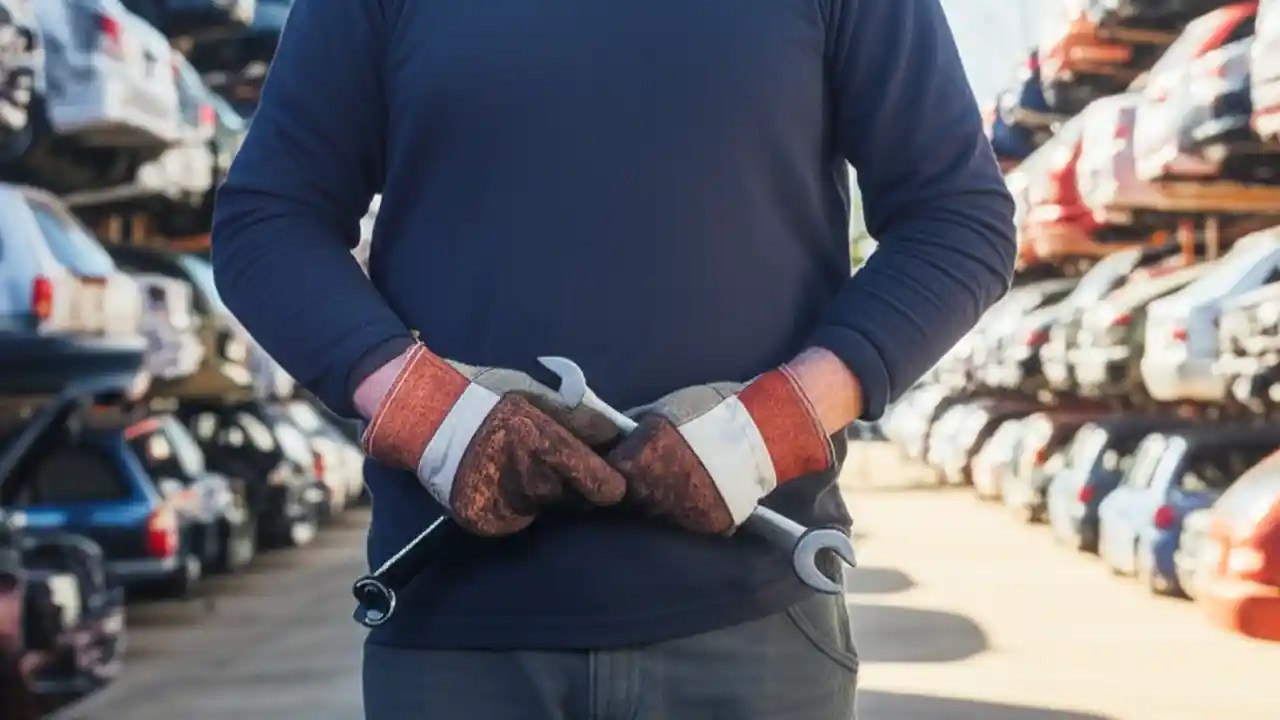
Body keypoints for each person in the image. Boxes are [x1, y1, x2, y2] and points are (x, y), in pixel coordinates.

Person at [211, 0, 1016, 716]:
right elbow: (268, 221)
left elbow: (956, 220)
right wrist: (429, 417)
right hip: (457, 640)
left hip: (754, 630)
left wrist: (771, 426)